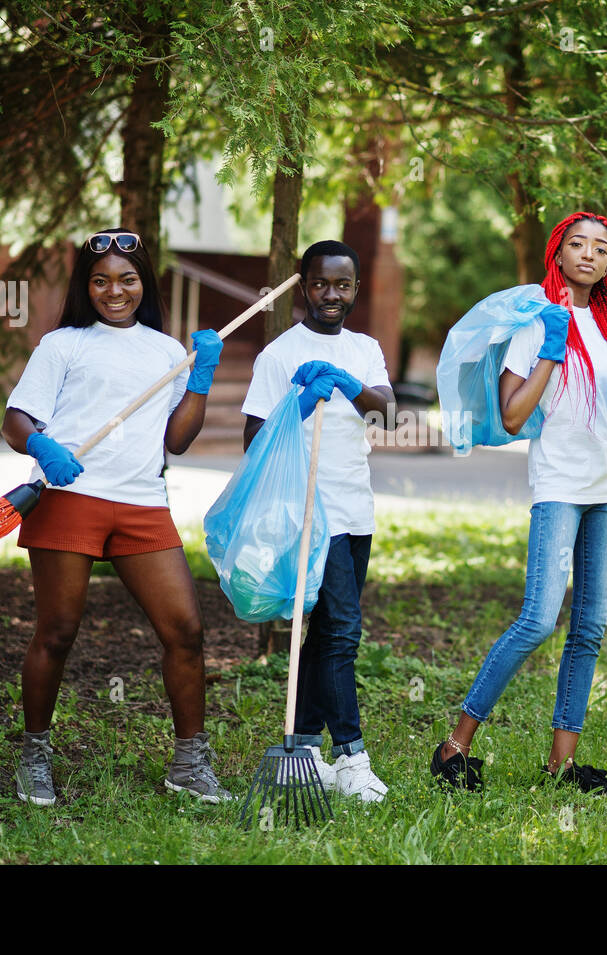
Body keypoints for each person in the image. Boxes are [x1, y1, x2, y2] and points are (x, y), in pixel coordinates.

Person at [430, 212, 607, 795]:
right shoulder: (538, 321)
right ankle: (453, 747)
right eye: (578, 245)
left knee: (589, 630)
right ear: (558, 253)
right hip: (559, 489)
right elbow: (512, 415)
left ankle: (562, 766)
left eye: (601, 248)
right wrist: (550, 353)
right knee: (538, 619)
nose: (589, 254)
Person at [4, 228, 229, 806]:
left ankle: (189, 764)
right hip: (68, 495)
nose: (115, 291)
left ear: (143, 283)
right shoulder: (63, 345)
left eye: (126, 279)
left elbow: (178, 440)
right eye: (101, 280)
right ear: (87, 285)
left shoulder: (165, 351)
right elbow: (16, 420)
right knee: (57, 631)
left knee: (185, 630)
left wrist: (198, 378)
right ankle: (33, 754)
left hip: (142, 503)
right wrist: (42, 446)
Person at [241, 240, 397, 802]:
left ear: (355, 288)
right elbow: (253, 442)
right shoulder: (279, 355)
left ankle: (303, 748)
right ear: (303, 286)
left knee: (326, 632)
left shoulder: (365, 348)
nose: (332, 294)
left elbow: (390, 414)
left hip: (357, 510)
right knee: (343, 632)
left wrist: (349, 383)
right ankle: (351, 756)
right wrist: (296, 407)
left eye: (344, 284)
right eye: (321, 283)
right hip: (309, 512)